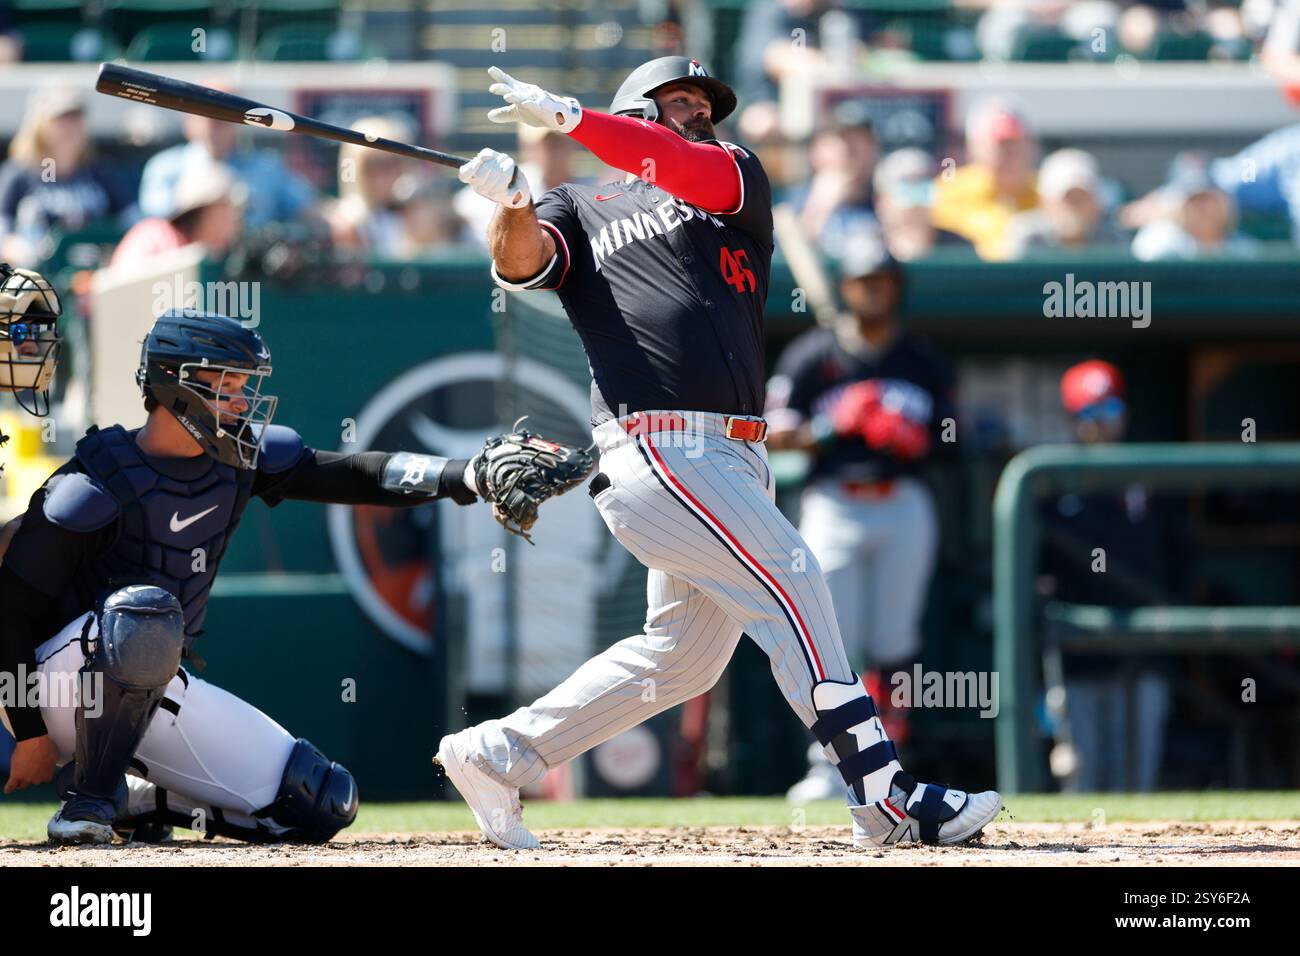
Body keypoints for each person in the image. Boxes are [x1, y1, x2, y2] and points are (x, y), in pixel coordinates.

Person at [447, 56, 1000, 850]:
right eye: (678, 100)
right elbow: (520, 261)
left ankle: (497, 754)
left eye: (705, 102)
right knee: (796, 578)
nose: (699, 111)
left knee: (679, 662)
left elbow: (668, 162)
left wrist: (570, 119)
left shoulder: (732, 174)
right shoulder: (581, 202)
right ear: (636, 110)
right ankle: (884, 794)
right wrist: (512, 204)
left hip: (735, 455)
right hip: (659, 446)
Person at [0, 307, 588, 844]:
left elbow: (356, 473)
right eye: (225, 386)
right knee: (144, 613)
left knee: (319, 801)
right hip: (51, 684)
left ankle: (144, 800)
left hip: (148, 688)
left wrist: (468, 476)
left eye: (242, 386)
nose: (240, 400)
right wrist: (28, 732)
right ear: (175, 386)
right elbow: (8, 610)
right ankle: (87, 802)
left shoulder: (240, 460)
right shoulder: (90, 485)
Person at [766, 238, 955, 802]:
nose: (874, 291)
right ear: (846, 288)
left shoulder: (921, 360)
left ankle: (889, 763)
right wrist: (830, 428)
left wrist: (915, 435)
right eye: (864, 281)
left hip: (903, 501)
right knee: (831, 641)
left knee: (897, 642)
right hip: (834, 501)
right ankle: (829, 768)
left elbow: (957, 435)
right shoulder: (810, 357)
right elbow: (768, 433)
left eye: (884, 282)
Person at [1038, 360, 1184, 792]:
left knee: (1136, 780)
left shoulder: (1149, 478)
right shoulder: (1054, 480)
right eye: (1089, 413)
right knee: (1084, 774)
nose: (1100, 424)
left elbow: (1180, 556)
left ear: (1126, 412)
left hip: (1144, 648)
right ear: (1072, 419)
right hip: (1077, 649)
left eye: (1109, 410)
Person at [138, 92, 315, 230]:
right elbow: (159, 225)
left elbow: (308, 207)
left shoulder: (266, 166)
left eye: (224, 118)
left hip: (253, 267)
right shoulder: (164, 167)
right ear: (191, 121)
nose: (216, 126)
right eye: (209, 117)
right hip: (187, 266)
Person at [0, 85, 134, 264]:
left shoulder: (103, 172)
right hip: (38, 277)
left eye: (76, 116)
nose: (71, 125)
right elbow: (4, 231)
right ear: (40, 124)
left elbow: (134, 224)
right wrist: (20, 250)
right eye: (61, 117)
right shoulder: (19, 174)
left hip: (95, 274)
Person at [930, 98, 1039, 261]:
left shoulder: (1047, 192)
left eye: (1014, 143)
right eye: (998, 144)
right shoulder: (945, 193)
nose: (1008, 153)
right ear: (972, 146)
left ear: (1029, 145)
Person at [110, 160, 244, 267]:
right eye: (228, 209)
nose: (236, 219)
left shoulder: (209, 256)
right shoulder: (157, 235)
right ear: (209, 212)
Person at [1004, 148, 1126, 259]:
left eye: (1082, 197)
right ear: (1044, 201)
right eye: (1067, 198)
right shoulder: (1027, 236)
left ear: (1095, 203)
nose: (1075, 206)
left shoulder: (1113, 239)